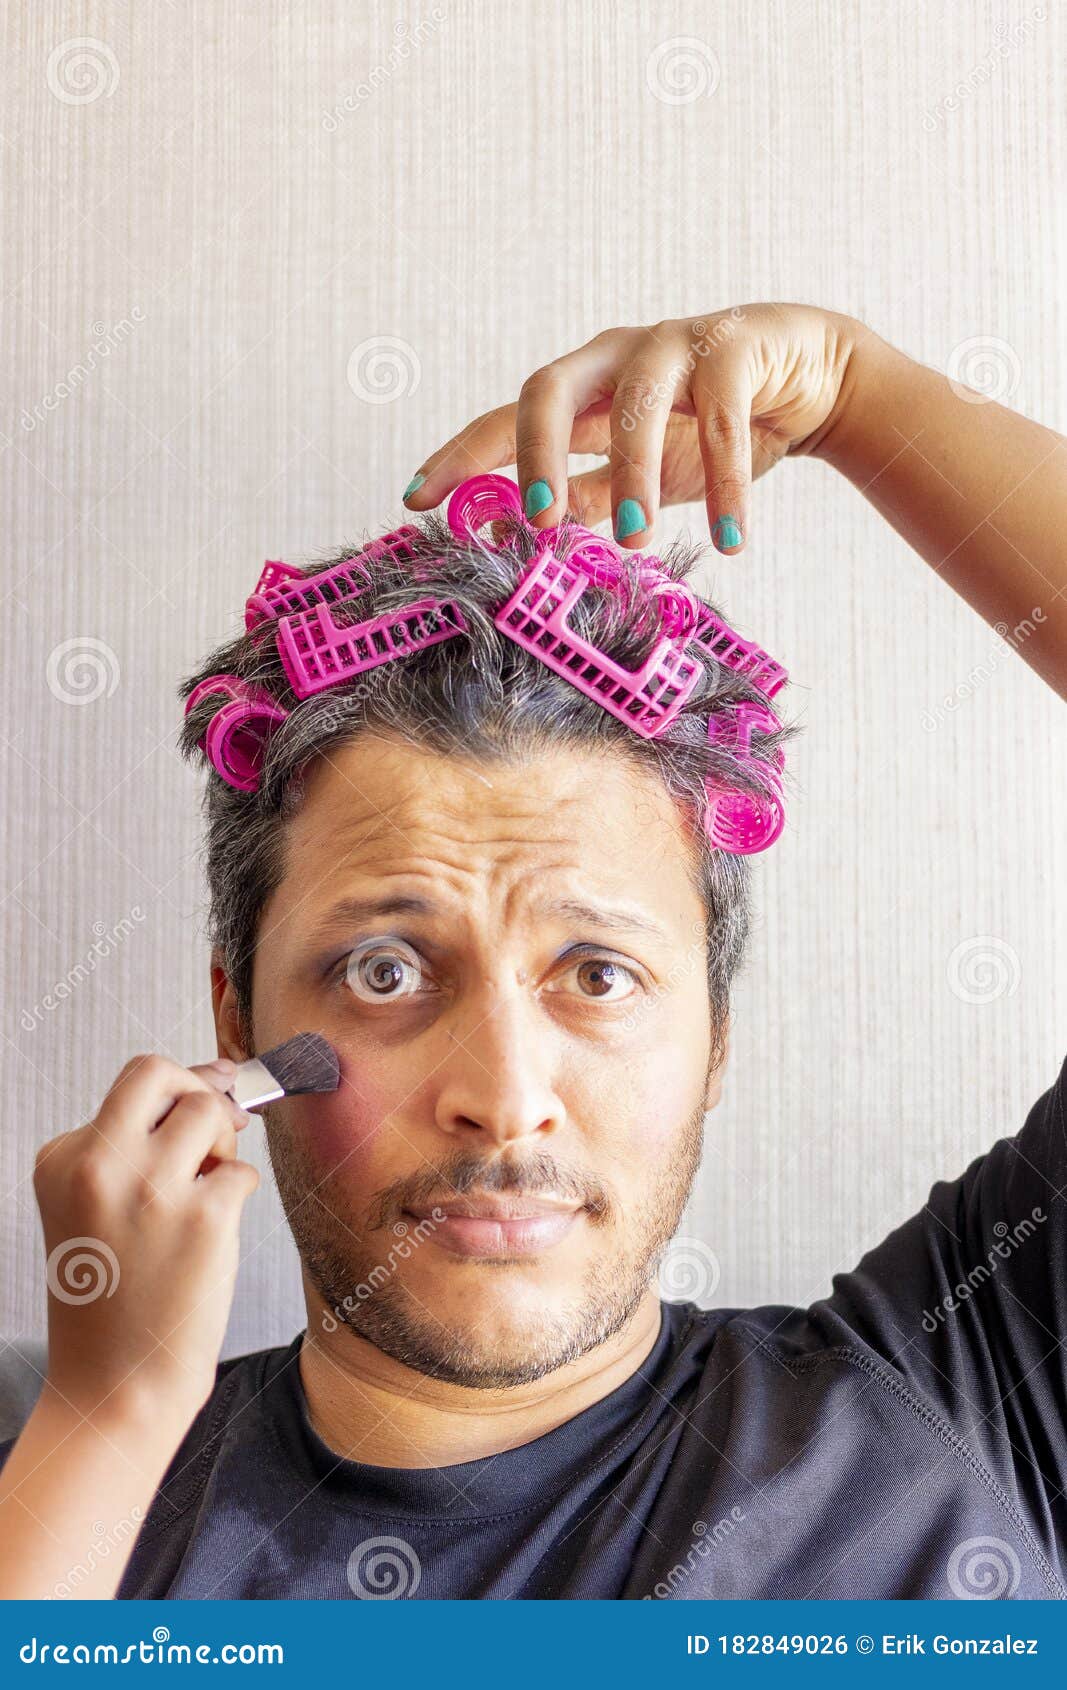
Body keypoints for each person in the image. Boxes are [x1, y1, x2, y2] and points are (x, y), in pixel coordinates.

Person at [0, 304, 1063, 1601]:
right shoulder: (78, 1508)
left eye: (597, 974)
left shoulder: (961, 1388)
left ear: (716, 1034)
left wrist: (860, 396)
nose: (503, 1094)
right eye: (387, 970)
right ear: (237, 1028)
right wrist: (102, 1422)